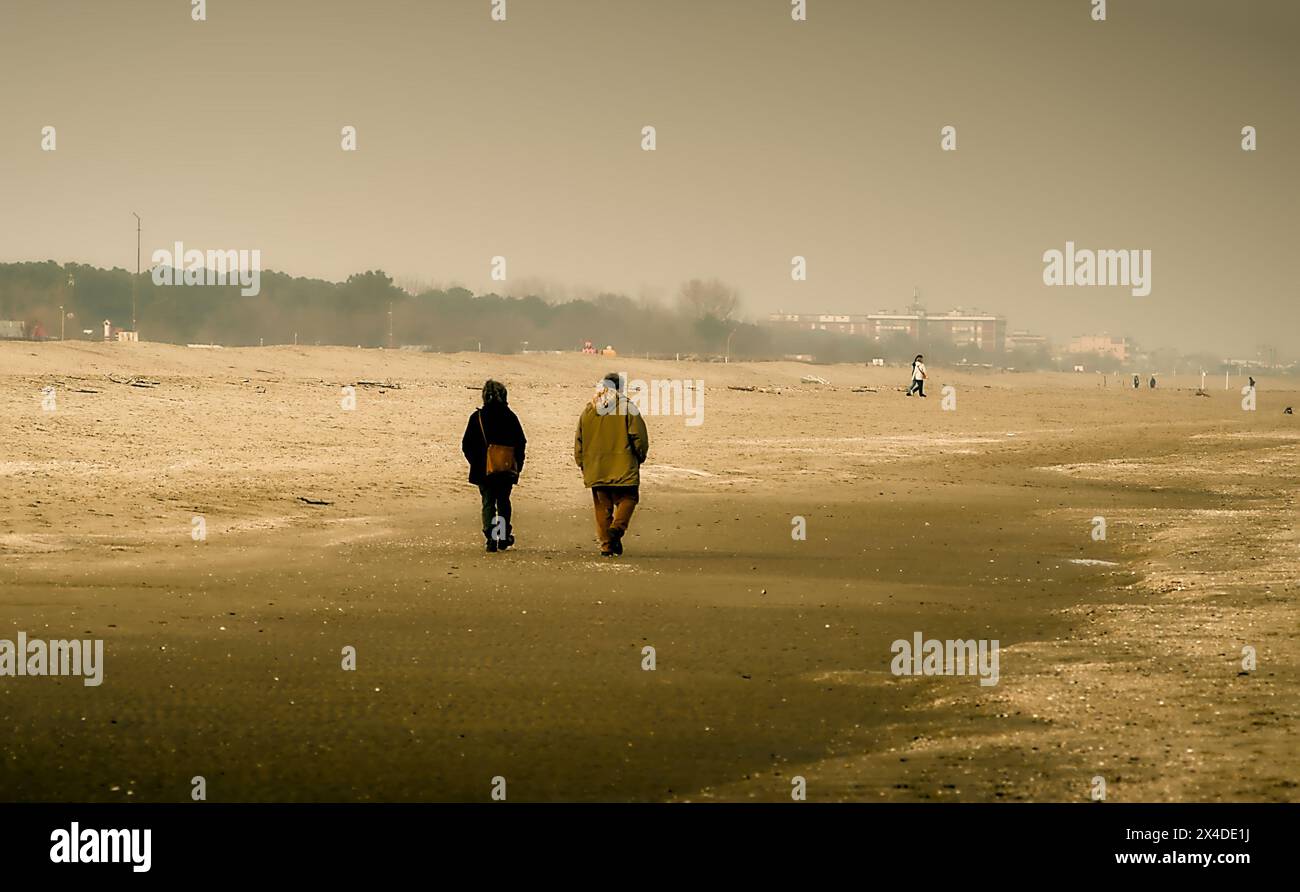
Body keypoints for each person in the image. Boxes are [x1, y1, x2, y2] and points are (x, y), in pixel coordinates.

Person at [575, 372, 649, 557]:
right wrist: (640, 456)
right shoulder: (627, 408)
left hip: (596, 467)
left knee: (602, 507)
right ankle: (617, 529)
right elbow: (638, 437)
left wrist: (582, 463)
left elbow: (579, 440)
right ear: (621, 388)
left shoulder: (589, 410)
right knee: (628, 498)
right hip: (623, 464)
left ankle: (607, 545)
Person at [461, 379, 527, 553]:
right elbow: (521, 442)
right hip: (505, 469)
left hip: (483, 470)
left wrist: (476, 462)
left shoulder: (477, 417)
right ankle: (503, 536)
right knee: (503, 501)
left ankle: (491, 536)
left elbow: (466, 445)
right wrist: (518, 465)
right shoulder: (510, 417)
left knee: (488, 502)